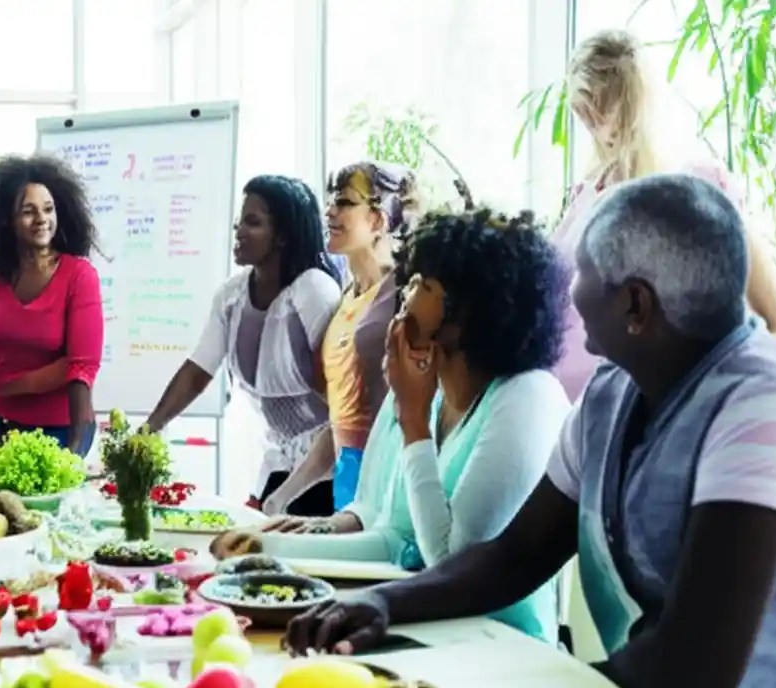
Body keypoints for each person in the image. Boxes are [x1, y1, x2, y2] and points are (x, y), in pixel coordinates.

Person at [286, 174, 776, 688]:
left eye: (585, 273)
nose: (570, 292)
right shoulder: (610, 394)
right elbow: (517, 555)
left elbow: (695, 671)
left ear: (635, 306)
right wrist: (381, 604)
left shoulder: (767, 404)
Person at [231, 208, 570, 640]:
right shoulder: (423, 386)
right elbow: (389, 531)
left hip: (501, 646)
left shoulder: (526, 397)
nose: (405, 297)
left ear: (468, 311)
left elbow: (448, 563)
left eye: (422, 285)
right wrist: (266, 546)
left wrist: (413, 422)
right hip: (425, 628)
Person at [550, 28, 776, 399]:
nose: (592, 121)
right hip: (571, 415)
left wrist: (733, 398)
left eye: (603, 104)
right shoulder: (584, 194)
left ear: (636, 102)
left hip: (662, 415)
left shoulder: (698, 189)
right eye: (583, 108)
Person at [145, 175, 342, 513]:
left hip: (330, 468)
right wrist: (151, 428)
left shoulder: (314, 291)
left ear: (282, 236)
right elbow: (197, 371)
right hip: (280, 464)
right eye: (240, 221)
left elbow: (343, 398)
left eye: (253, 222)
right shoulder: (231, 296)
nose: (239, 231)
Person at [262, 161, 418, 516]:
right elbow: (342, 422)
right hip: (348, 485)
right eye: (332, 200)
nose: (330, 211)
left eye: (346, 202)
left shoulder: (403, 292)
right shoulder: (347, 297)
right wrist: (282, 496)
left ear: (377, 221)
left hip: (392, 484)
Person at [0, 154, 103, 457]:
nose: (42, 219)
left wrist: (76, 454)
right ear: (6, 220)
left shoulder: (78, 275)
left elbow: (80, 367)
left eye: (49, 209)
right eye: (28, 211)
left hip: (55, 433)